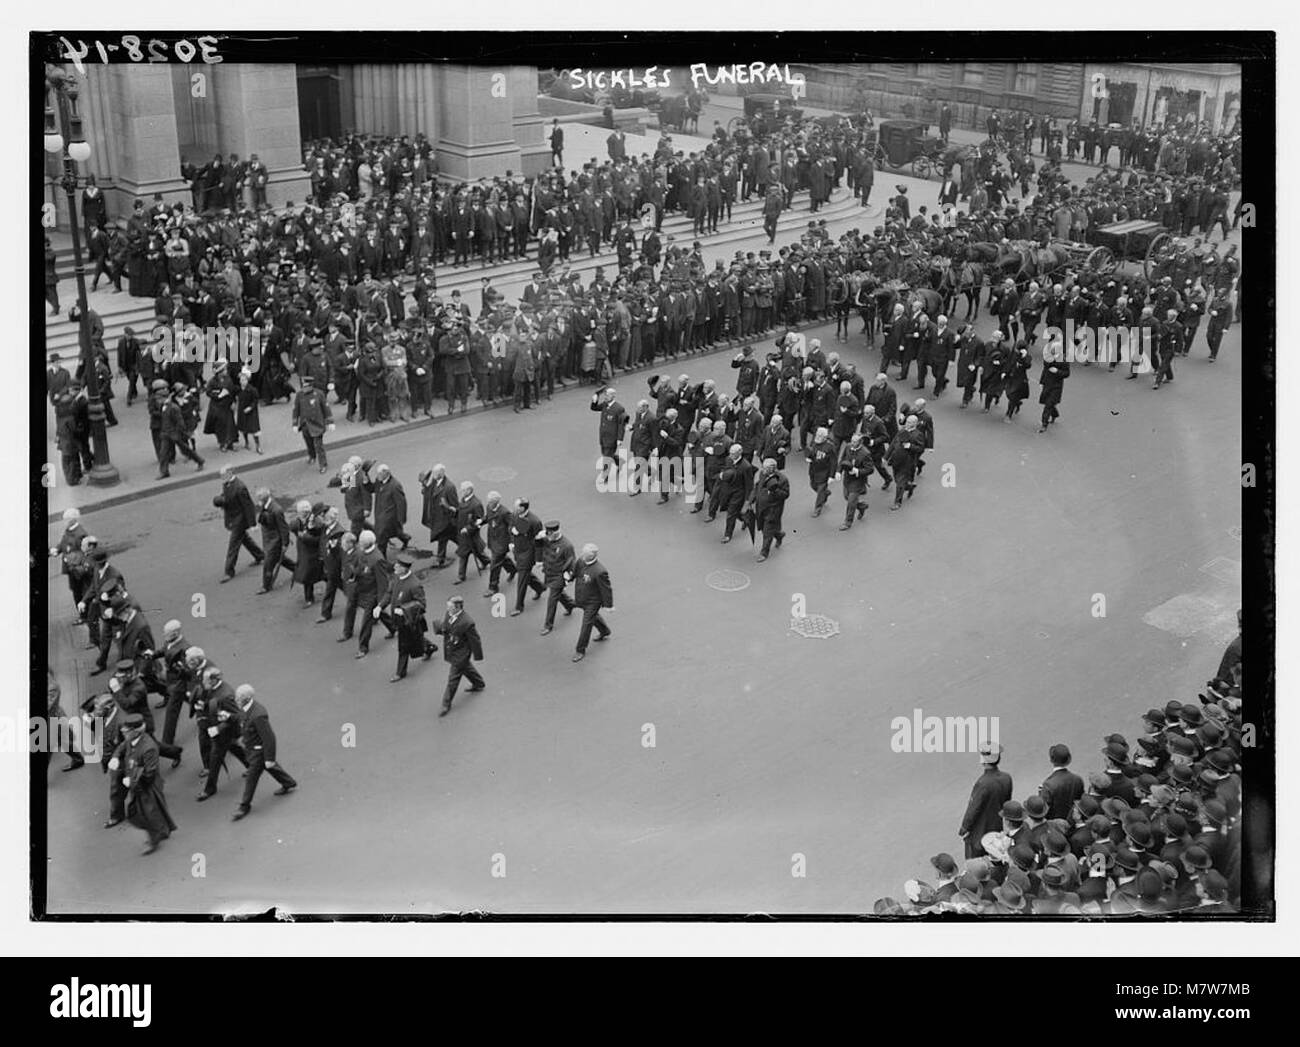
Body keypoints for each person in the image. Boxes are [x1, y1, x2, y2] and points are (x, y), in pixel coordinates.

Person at [106, 713, 177, 855]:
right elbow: (122, 746)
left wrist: (130, 781)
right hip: (138, 783)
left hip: (146, 786)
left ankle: (153, 839)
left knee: (145, 813)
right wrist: (115, 757)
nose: (123, 732)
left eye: (125, 731)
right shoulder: (131, 740)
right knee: (154, 810)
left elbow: (149, 773)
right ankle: (163, 830)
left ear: (135, 731)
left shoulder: (148, 747)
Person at [231, 684, 298, 820]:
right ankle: (289, 782)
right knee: (271, 768)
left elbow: (269, 738)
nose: (236, 700)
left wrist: (269, 758)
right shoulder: (246, 708)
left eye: (239, 698)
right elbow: (240, 718)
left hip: (258, 752)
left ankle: (244, 806)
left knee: (251, 778)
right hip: (252, 749)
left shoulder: (258, 715)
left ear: (247, 698)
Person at [377, 552, 436, 681]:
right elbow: (389, 593)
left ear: (404, 568)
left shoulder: (415, 584)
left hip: (408, 621)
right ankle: (429, 647)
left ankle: (400, 672)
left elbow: (421, 604)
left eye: (397, 566)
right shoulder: (396, 578)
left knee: (403, 646)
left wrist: (404, 610)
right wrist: (380, 606)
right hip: (399, 620)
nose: (395, 568)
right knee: (415, 639)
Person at [431, 594, 485, 716]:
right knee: (466, 668)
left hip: (460, 654)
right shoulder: (449, 614)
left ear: (458, 607)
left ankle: (446, 704)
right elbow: (447, 625)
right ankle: (479, 683)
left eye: (450, 607)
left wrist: (477, 655)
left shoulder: (467, 622)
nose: (447, 609)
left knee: (453, 679)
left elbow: (475, 640)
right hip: (452, 650)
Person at [958, 742, 1013, 860]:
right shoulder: (1006, 778)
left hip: (980, 831)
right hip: (997, 826)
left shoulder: (983, 783)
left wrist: (964, 828)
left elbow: (974, 808)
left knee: (975, 862)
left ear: (983, 760)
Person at [213, 465, 263, 582]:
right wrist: (220, 499)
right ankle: (260, 555)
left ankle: (229, 571)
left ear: (230, 473)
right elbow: (226, 495)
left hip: (239, 521)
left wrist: (253, 524)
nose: (222, 478)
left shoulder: (240, 487)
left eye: (223, 475)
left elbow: (248, 506)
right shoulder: (227, 483)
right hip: (233, 518)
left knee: (233, 545)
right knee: (244, 539)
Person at [571, 543, 613, 662]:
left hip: (593, 602)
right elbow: (575, 572)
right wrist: (568, 579)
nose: (582, 556)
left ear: (592, 556)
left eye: (584, 554)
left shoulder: (600, 571)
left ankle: (580, 649)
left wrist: (608, 605)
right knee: (593, 618)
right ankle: (604, 630)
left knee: (586, 624)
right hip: (582, 597)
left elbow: (606, 589)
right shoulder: (580, 561)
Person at [539, 520, 577, 635]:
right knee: (558, 594)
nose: (548, 537)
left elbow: (571, 562)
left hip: (559, 575)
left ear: (556, 533)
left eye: (549, 534)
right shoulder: (547, 539)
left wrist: (569, 577)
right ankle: (570, 604)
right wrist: (537, 538)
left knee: (552, 599)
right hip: (549, 572)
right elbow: (537, 546)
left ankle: (548, 625)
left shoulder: (566, 545)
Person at [292, 374, 335, 474]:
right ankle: (312, 456)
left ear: (311, 386)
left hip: (317, 425)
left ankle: (323, 464)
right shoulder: (299, 395)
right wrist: (294, 423)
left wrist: (330, 422)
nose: (304, 388)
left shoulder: (319, 394)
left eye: (306, 386)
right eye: (303, 386)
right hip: (305, 424)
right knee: (309, 442)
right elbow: (296, 409)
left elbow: (326, 408)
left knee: (319, 446)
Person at [751, 457, 789, 562]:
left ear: (772, 468)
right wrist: (751, 500)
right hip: (761, 507)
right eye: (763, 467)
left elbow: (786, 495)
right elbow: (758, 486)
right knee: (764, 528)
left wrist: (775, 490)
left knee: (767, 531)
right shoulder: (763, 474)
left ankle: (764, 553)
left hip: (773, 510)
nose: (763, 470)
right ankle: (779, 535)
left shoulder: (782, 479)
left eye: (765, 468)